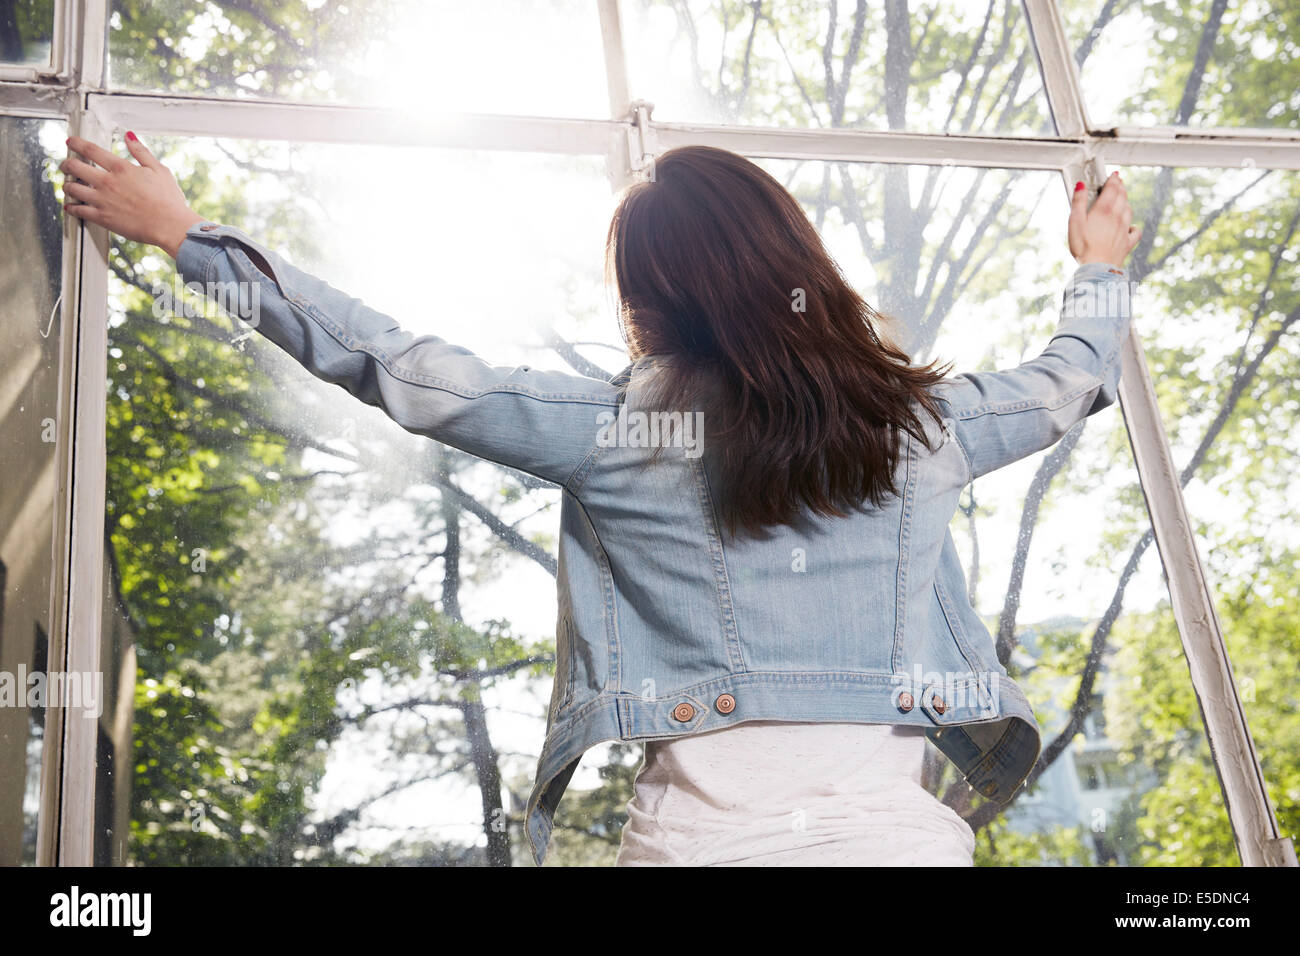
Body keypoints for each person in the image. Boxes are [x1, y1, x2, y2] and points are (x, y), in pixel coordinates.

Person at [61, 134, 1139, 866]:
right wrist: (1094, 264)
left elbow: (390, 362)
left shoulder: (617, 430)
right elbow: (1071, 377)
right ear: (794, 260)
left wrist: (185, 236)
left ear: (647, 296)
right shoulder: (922, 427)